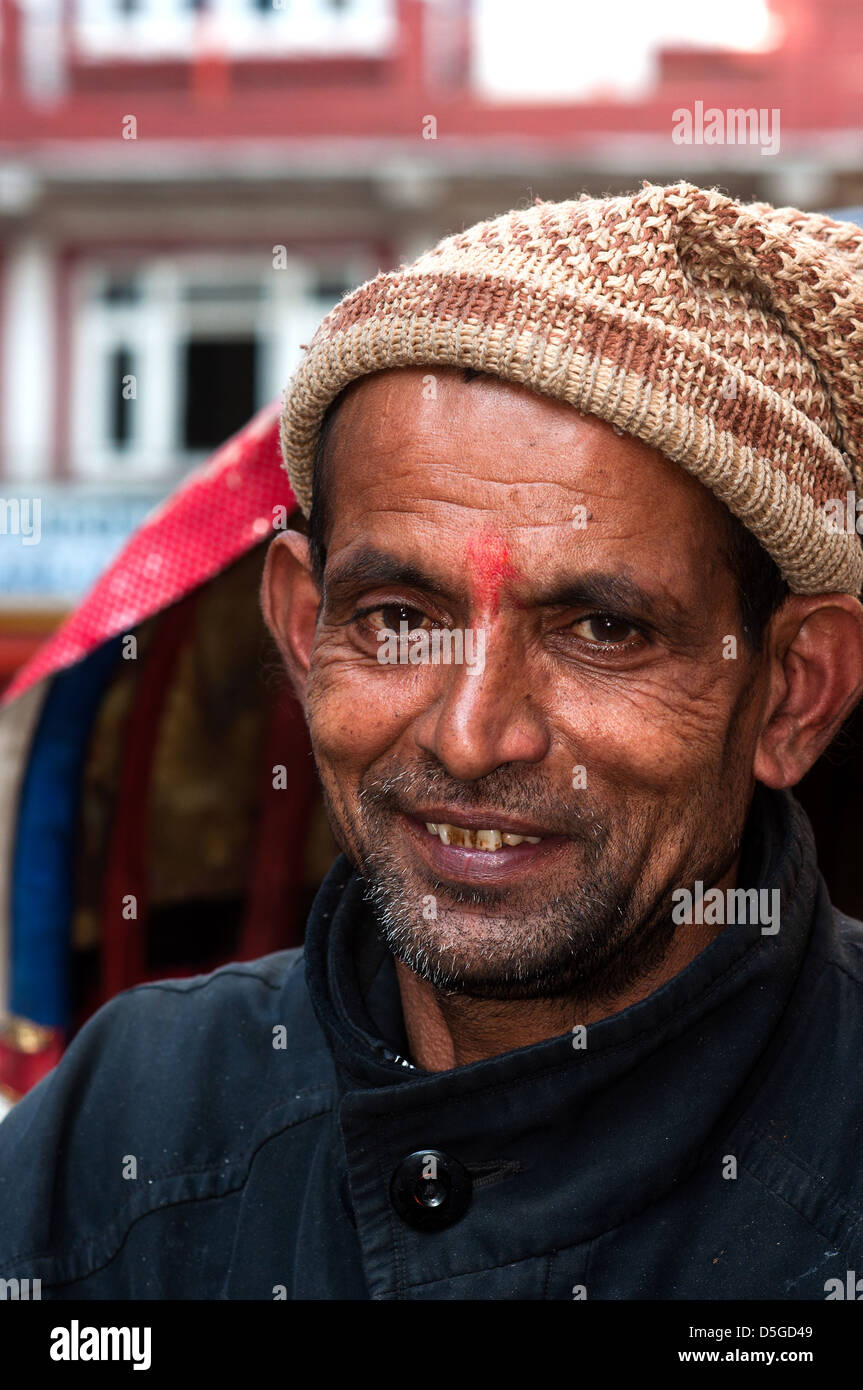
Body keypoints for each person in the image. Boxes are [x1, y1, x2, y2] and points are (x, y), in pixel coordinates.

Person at [2, 180, 863, 1300]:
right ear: (302, 631)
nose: (469, 737)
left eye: (601, 630)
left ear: (793, 692)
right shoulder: (130, 1119)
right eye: (399, 619)